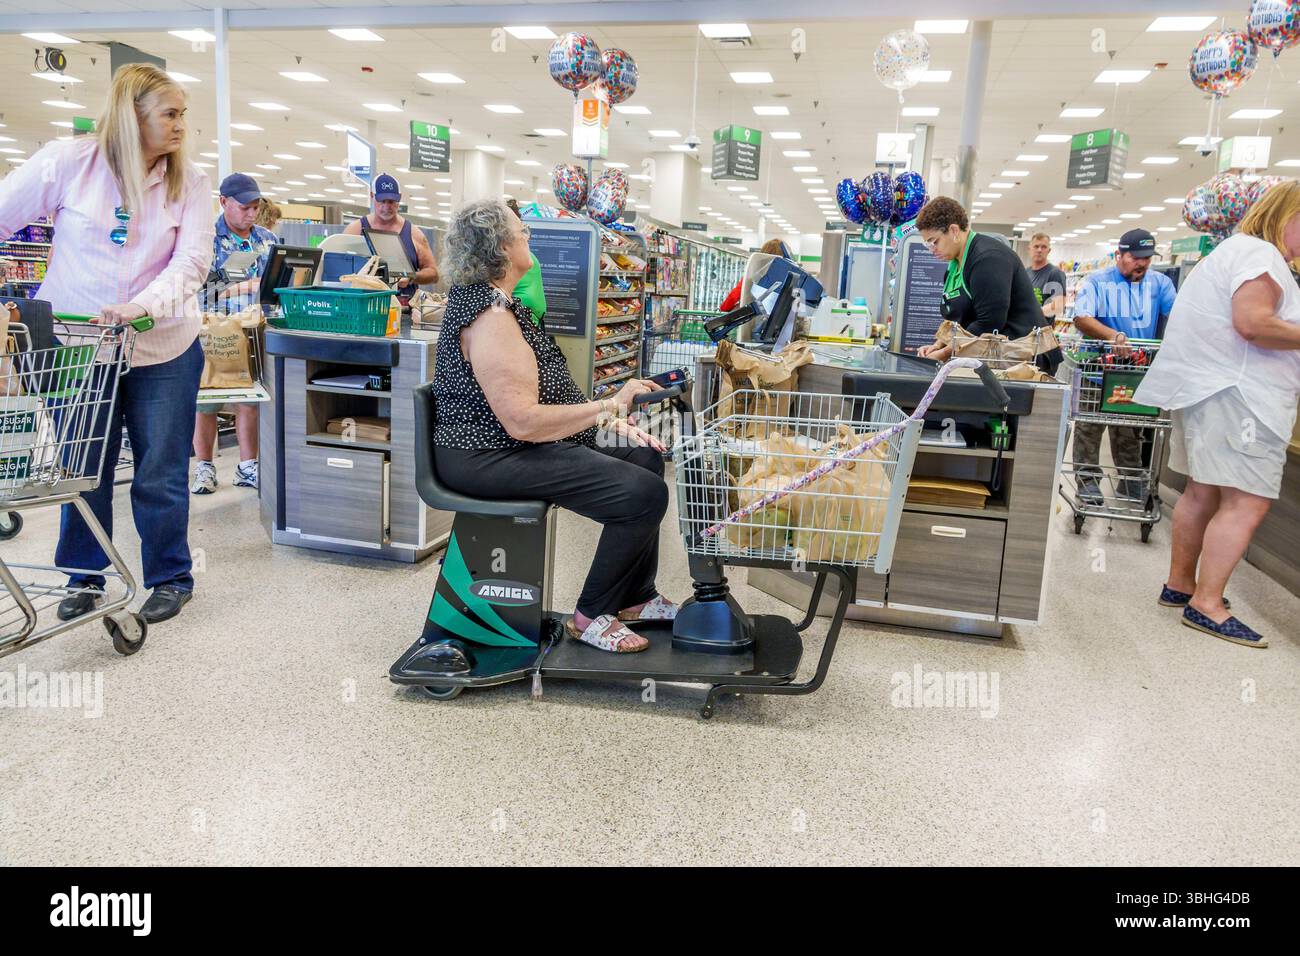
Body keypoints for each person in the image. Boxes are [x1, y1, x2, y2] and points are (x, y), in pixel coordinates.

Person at [0, 63, 213, 624]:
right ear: (132, 116)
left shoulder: (188, 181)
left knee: (160, 470)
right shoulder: (68, 162)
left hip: (162, 344)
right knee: (81, 462)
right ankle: (85, 575)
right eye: (170, 114)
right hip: (76, 345)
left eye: (182, 114)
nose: (180, 126)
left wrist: (141, 306)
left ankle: (169, 576)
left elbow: (192, 262)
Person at [432, 199, 677, 653]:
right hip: (487, 455)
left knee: (645, 456)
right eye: (521, 232)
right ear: (501, 248)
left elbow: (547, 397)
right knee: (643, 495)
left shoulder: (504, 304)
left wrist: (605, 420)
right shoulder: (491, 318)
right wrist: (604, 409)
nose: (529, 238)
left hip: (512, 442)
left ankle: (635, 597)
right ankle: (590, 617)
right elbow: (523, 421)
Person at [1133, 182, 1300, 649]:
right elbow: (1254, 323)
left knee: (1202, 493)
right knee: (1246, 500)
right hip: (1241, 397)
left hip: (1212, 393)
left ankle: (1181, 585)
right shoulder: (1262, 257)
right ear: (1287, 215)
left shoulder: (1234, 251)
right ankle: (1208, 604)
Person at [1071, 229, 1178, 504]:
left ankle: (1130, 481)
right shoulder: (1097, 281)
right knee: (1089, 429)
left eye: (1147, 258)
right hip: (1098, 369)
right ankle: (1087, 483)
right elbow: (1082, 318)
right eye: (1135, 257)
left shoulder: (1161, 284)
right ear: (1119, 254)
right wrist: (1112, 336)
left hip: (1136, 373)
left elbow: (1177, 317)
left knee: (1130, 430)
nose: (1141, 263)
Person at [192, 172, 277, 495]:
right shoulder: (204, 240)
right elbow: (201, 290)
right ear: (223, 202)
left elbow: (275, 282)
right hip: (211, 331)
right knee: (206, 401)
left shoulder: (266, 240)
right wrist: (243, 286)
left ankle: (247, 466)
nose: (252, 214)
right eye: (245, 207)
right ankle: (204, 467)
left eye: (256, 207)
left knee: (249, 398)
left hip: (253, 332)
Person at [914, 197, 1044, 361]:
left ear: (954, 230)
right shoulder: (955, 264)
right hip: (994, 355)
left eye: (934, 242)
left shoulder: (988, 259)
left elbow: (989, 323)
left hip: (1024, 357)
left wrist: (944, 354)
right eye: (928, 245)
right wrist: (937, 345)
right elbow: (960, 319)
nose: (932, 250)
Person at [342, 173, 439, 298]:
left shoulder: (413, 233)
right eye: (382, 201)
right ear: (372, 196)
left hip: (404, 310)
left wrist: (411, 277)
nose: (387, 207)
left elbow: (433, 273)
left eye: (392, 201)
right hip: (363, 308)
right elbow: (339, 270)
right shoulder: (355, 230)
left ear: (399, 198)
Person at [505, 197, 546, 325]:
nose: (525, 236)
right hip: (529, 316)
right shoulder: (524, 254)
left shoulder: (516, 255)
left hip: (525, 316)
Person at [720, 238, 790, 312]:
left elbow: (735, 295)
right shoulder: (787, 276)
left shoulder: (754, 272)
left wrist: (723, 309)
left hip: (750, 316)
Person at [1026, 232, 1068, 321]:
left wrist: (1030, 314)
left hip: (1041, 331)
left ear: (1049, 251)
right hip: (1023, 330)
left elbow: (1058, 306)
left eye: (1043, 247)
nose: (1039, 250)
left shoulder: (1055, 273)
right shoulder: (1025, 272)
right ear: (1029, 249)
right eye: (1036, 246)